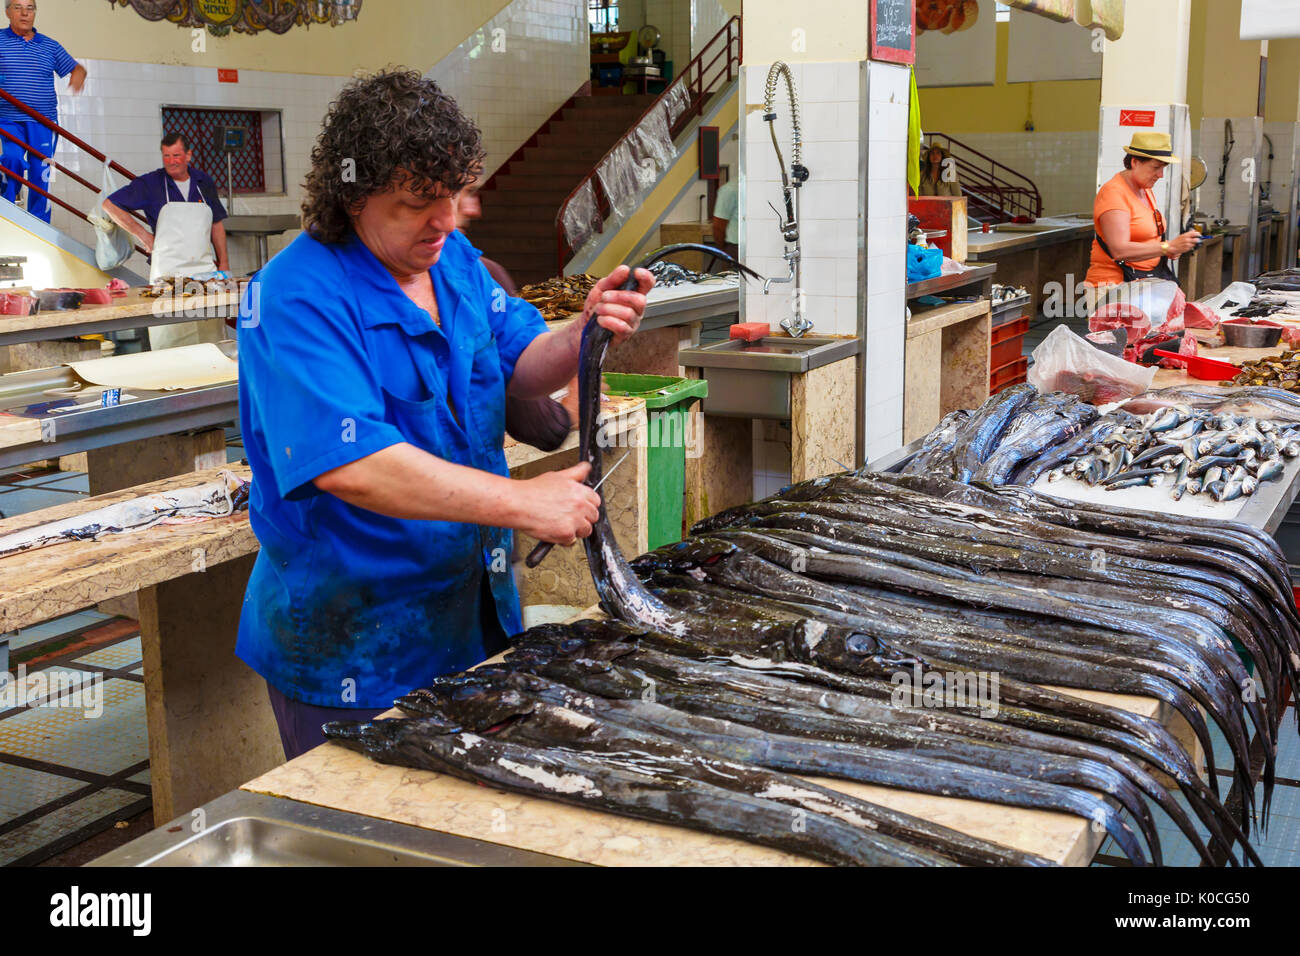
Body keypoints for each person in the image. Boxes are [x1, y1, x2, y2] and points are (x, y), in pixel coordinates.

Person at [236, 70, 653, 760]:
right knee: (365, 844)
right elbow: (354, 465)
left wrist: (585, 330)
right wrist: (522, 503)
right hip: (359, 651)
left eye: (454, 197)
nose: (446, 220)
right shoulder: (294, 297)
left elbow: (520, 361)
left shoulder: (451, 258)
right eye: (415, 203)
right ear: (352, 197)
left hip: (475, 621)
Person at [102, 133, 231, 349]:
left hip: (205, 273)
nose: (171, 161)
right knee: (170, 335)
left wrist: (224, 263)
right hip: (168, 274)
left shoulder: (203, 182)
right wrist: (143, 235)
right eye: (166, 156)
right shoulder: (151, 183)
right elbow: (109, 205)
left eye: (177, 155)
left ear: (188, 155)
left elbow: (216, 224)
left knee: (210, 335)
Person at [0, 0, 85, 222]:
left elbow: (76, 68)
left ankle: (39, 221)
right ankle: (6, 210)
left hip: (44, 122)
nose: (25, 13)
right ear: (8, 12)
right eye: (18, 7)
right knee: (12, 159)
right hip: (9, 119)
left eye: (30, 8)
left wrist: (77, 77)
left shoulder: (50, 45)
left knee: (41, 172)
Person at [1085, 132, 1200, 288]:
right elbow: (1120, 250)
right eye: (1156, 167)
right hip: (1113, 287)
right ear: (1135, 162)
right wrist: (1168, 246)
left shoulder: (1144, 190)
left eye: (1163, 168)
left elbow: (1146, 237)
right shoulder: (1114, 193)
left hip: (1144, 282)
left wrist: (1169, 249)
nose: (1160, 175)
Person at [711, 176, 739, 265]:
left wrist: (721, 249)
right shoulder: (757, 187)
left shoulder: (729, 189)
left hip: (734, 249)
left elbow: (718, 226)